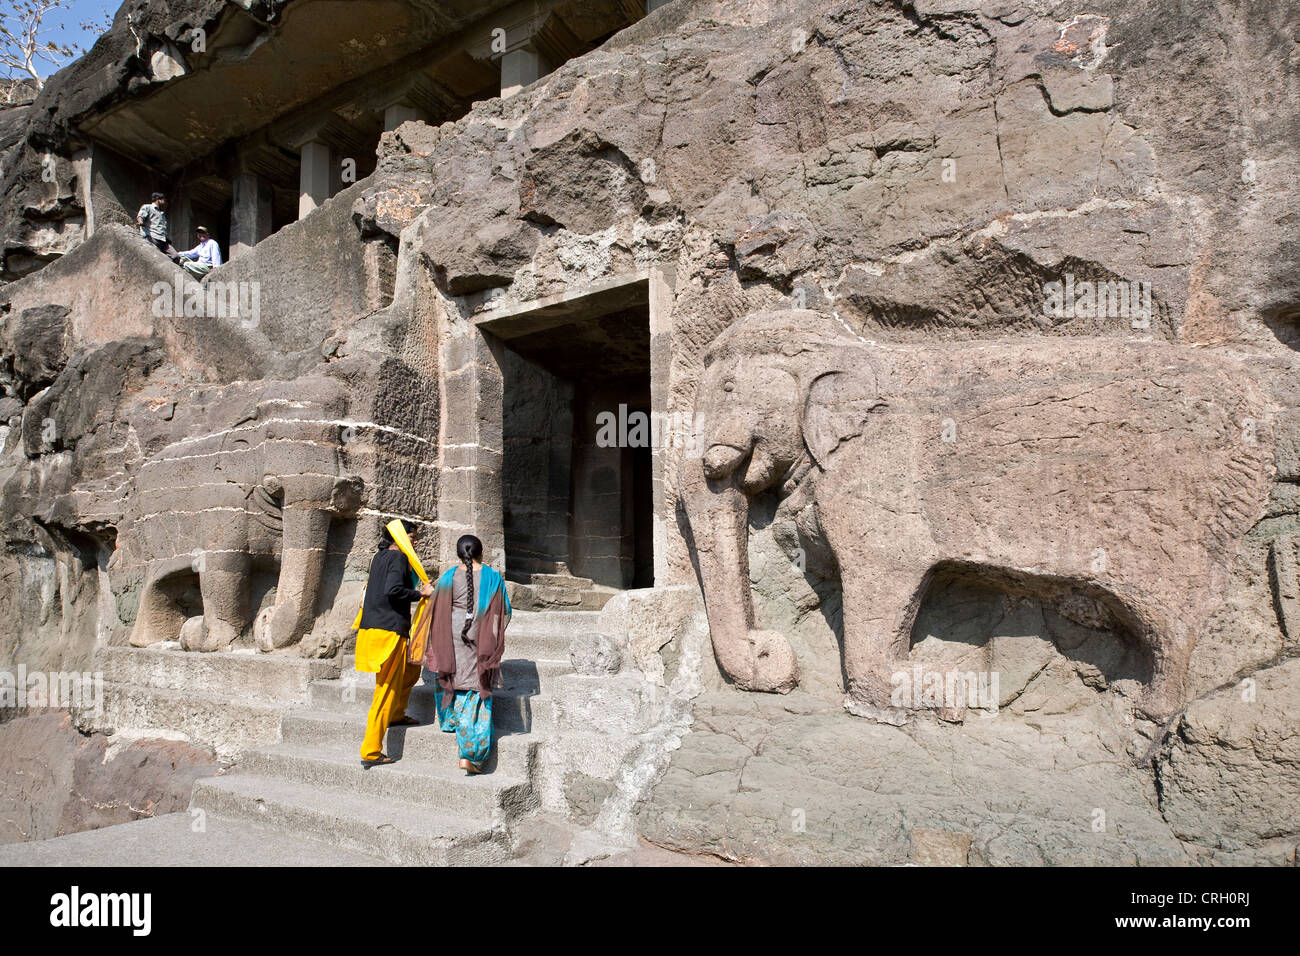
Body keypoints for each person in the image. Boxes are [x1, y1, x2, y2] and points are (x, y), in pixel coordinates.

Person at [423, 534, 511, 774]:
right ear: (481, 552)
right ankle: (471, 752)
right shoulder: (493, 577)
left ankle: (452, 722)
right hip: (481, 635)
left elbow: (436, 607)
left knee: (456, 680)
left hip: (451, 634)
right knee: (476, 686)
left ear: (458, 554)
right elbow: (505, 609)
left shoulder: (448, 577)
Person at [355, 518, 434, 768]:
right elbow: (394, 590)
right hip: (387, 631)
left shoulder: (379, 557)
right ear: (400, 537)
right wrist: (421, 593)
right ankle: (371, 749)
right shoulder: (399, 558)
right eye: (412, 537)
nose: (415, 541)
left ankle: (397, 714)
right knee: (386, 689)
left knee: (411, 670)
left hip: (377, 627)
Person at [136, 192, 174, 257]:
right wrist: (141, 222)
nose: (164, 201)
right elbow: (140, 216)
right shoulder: (148, 207)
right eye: (163, 199)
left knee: (175, 256)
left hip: (162, 239)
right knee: (156, 255)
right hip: (152, 237)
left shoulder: (162, 213)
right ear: (157, 199)